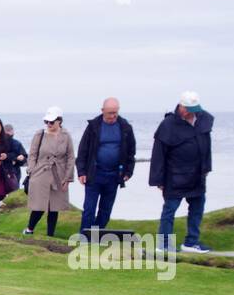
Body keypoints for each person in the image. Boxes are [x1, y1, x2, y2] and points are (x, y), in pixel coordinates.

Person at [149, 91, 215, 253]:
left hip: (197, 175)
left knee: (197, 208)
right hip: (174, 176)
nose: (192, 112)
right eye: (189, 109)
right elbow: (158, 154)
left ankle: (191, 242)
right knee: (169, 210)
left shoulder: (203, 119)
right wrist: (159, 180)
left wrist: (207, 167)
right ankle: (164, 245)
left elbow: (207, 146)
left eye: (195, 109)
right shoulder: (168, 125)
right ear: (181, 107)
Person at [75, 97, 136, 239]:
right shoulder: (93, 126)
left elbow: (131, 152)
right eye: (110, 113)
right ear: (102, 111)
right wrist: (81, 171)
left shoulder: (125, 127)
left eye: (115, 112)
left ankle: (95, 236)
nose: (113, 116)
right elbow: (83, 150)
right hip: (94, 174)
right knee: (89, 209)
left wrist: (128, 172)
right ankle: (84, 237)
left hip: (114, 175)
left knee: (105, 210)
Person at [23, 107, 74, 237]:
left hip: (59, 174)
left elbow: (70, 157)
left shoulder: (66, 135)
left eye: (51, 122)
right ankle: (29, 229)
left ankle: (50, 235)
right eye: (47, 121)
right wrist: (32, 171)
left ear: (59, 121)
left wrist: (68, 178)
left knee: (54, 207)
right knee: (39, 206)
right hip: (40, 173)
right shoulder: (39, 134)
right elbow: (32, 155)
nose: (49, 124)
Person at [2, 123, 27, 190]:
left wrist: (18, 160)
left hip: (14, 172)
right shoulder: (16, 143)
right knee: (12, 194)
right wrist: (16, 159)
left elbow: (24, 158)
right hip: (9, 172)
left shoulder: (17, 143)